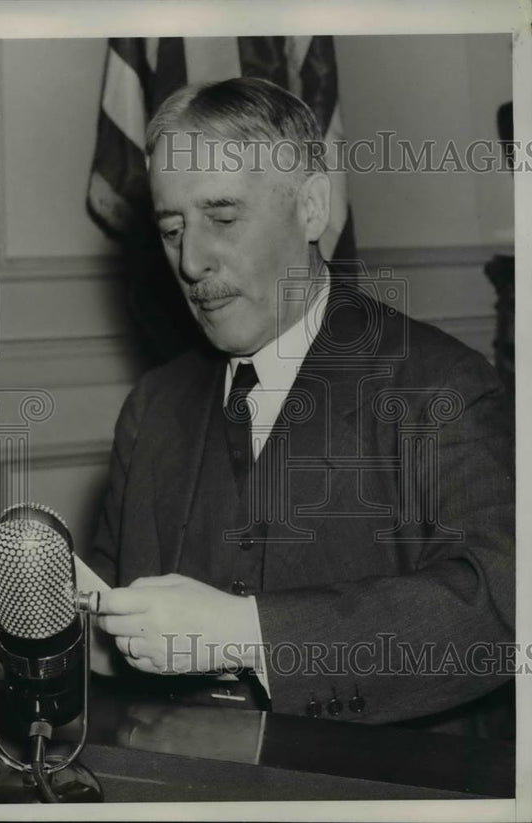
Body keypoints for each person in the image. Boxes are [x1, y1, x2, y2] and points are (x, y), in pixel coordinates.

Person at [90, 78, 514, 734]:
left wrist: (248, 631)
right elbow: (109, 657)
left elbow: (498, 610)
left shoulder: (440, 388)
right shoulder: (153, 408)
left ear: (312, 208)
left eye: (223, 218)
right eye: (172, 228)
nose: (192, 260)